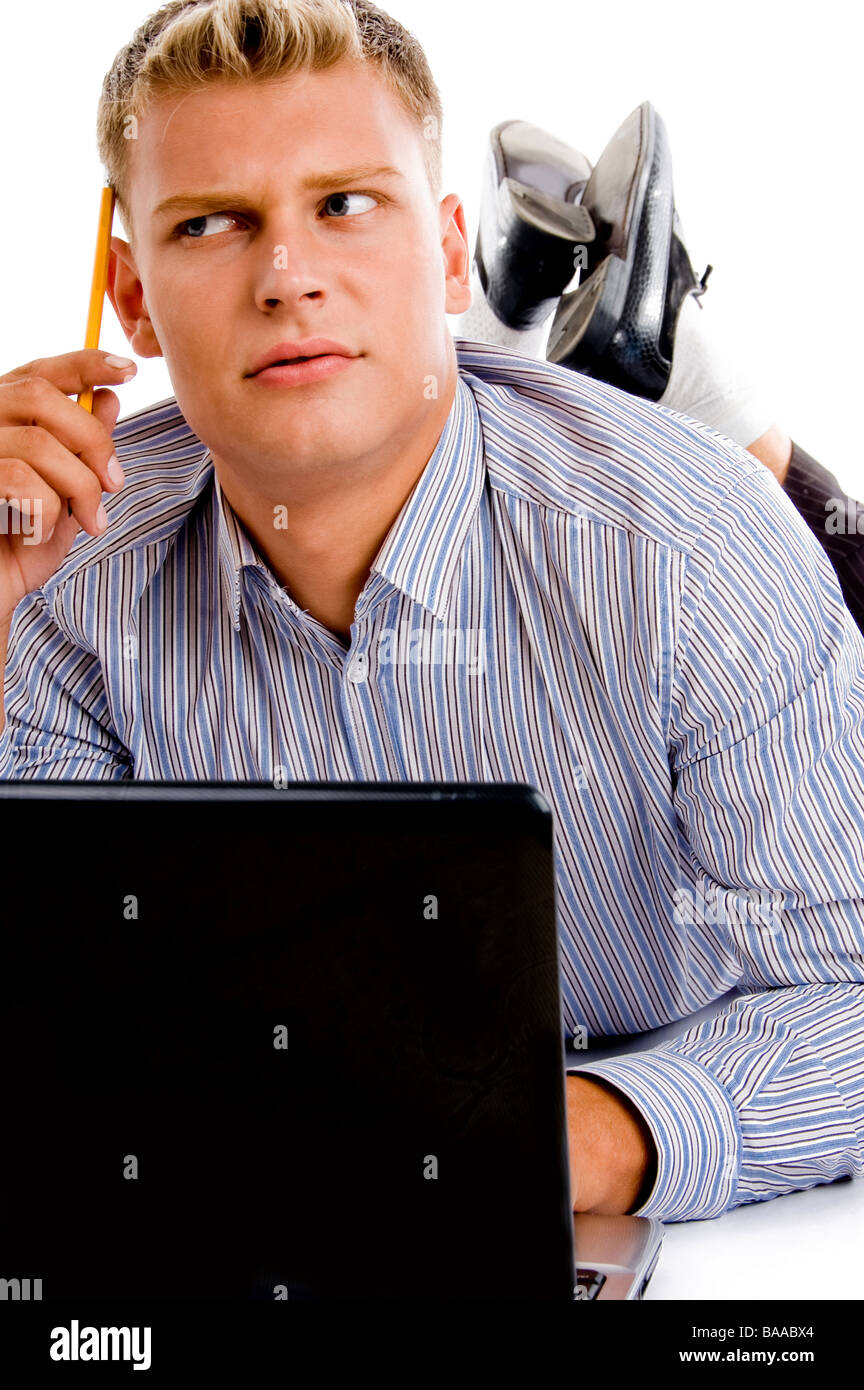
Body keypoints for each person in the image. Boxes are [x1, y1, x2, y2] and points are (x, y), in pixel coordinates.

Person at [0, 0, 863, 1226]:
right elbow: (52, 1037)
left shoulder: (692, 546)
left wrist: (581, 1133)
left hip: (667, 540)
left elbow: (858, 996)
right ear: (131, 300)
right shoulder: (56, 580)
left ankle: (674, 376)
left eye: (347, 205)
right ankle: (543, 345)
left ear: (446, 251)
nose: (287, 276)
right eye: (212, 223)